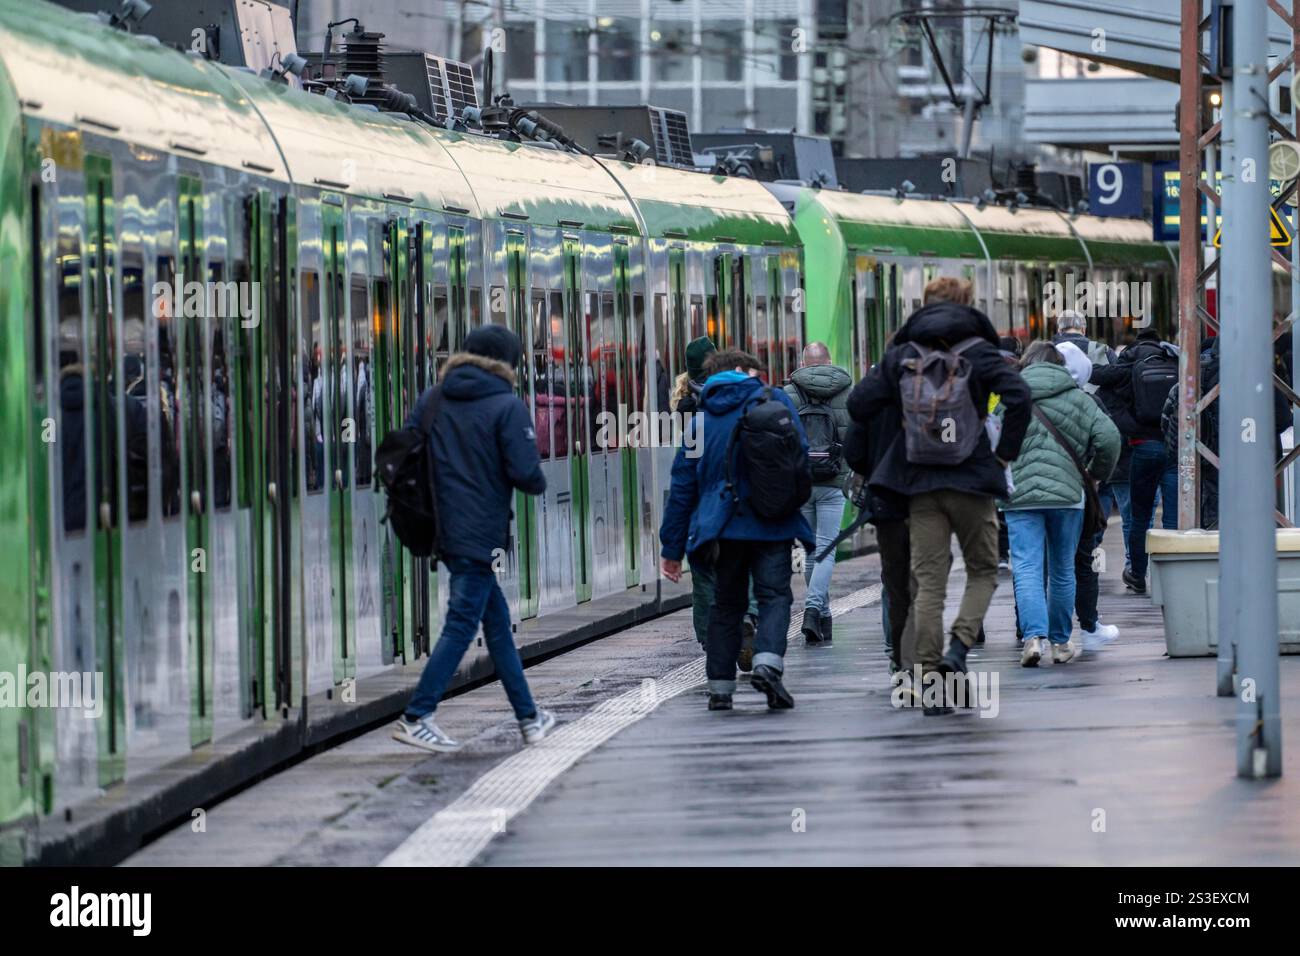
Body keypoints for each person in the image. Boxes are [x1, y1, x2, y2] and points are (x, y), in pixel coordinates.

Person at [850, 276, 1031, 712]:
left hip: (920, 487)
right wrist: (1003, 456)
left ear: (926, 305)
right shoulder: (980, 352)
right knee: (984, 570)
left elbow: (858, 406)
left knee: (927, 586)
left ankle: (929, 681)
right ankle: (958, 649)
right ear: (968, 304)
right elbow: (1021, 397)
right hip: (972, 483)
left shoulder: (902, 355)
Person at [393, 325, 556, 753]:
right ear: (507, 363)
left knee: (497, 626)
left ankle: (529, 716)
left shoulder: (434, 398)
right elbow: (529, 478)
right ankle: (417, 715)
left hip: (440, 528)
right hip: (481, 531)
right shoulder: (507, 405)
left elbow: (409, 449)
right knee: (463, 622)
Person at [660, 349, 815, 711]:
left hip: (722, 527)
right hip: (772, 523)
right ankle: (767, 665)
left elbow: (683, 484)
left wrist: (672, 548)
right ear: (745, 372)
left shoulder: (700, 420)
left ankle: (720, 688)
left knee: (725, 604)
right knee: (775, 596)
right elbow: (800, 456)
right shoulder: (775, 401)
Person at [1001, 341, 1119, 667]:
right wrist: (1095, 475)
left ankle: (1032, 638)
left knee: (1026, 567)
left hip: (1020, 497)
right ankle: (1060, 642)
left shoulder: (1012, 397)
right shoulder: (1079, 398)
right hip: (1068, 496)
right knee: (1063, 568)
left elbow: (991, 437)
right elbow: (1109, 439)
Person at [1089, 328, 1179, 594]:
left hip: (1143, 447)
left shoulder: (1130, 361)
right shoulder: (1173, 358)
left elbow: (1103, 391)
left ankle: (1138, 574)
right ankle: (1170, 577)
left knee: (1140, 517)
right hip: (1174, 448)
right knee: (1173, 518)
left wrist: (1133, 428)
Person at [784, 341, 853, 644]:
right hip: (834, 482)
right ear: (829, 361)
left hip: (801, 482)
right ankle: (815, 609)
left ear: (802, 363)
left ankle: (821, 614)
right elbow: (853, 435)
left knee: (811, 551)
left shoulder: (788, 393)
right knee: (827, 547)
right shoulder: (846, 390)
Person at [845, 374, 911, 675]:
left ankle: (898, 656)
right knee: (927, 580)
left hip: (886, 500)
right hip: (926, 499)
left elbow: (854, 453)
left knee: (894, 583)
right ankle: (924, 656)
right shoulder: (934, 386)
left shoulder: (870, 396)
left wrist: (875, 468)